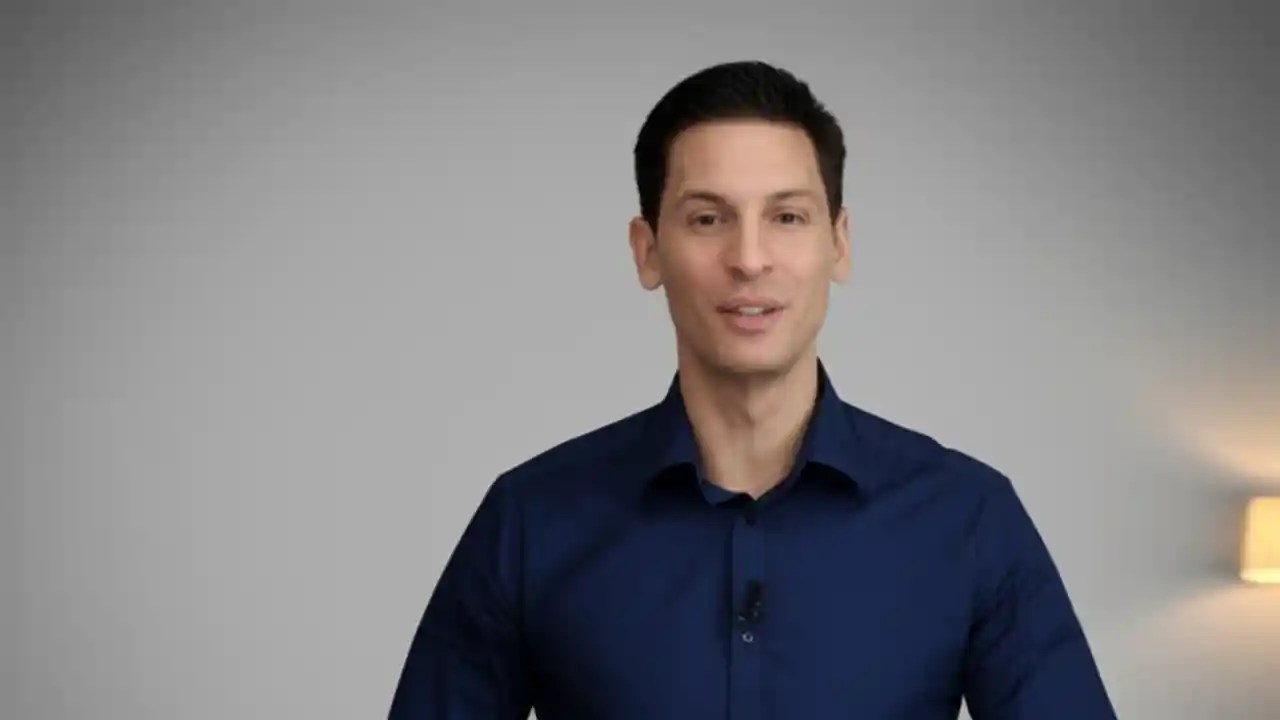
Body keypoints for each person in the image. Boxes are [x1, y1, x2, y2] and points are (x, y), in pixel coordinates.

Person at [388, 60, 1117, 719]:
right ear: (649, 252)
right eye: (708, 219)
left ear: (838, 244)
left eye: (787, 217)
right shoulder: (531, 520)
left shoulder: (969, 519)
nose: (748, 259)